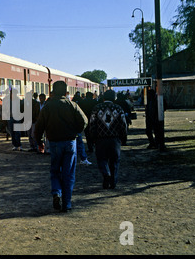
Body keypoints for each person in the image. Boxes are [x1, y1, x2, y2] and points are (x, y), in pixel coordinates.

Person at [35, 81, 88, 212]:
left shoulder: (47, 106)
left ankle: (56, 193)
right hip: (70, 142)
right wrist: (75, 131)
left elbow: (39, 126)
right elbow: (84, 121)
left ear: (52, 92)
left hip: (54, 143)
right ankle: (67, 204)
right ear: (66, 92)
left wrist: (39, 142)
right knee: (68, 173)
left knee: (55, 170)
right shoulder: (72, 105)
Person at [88, 90, 127, 189]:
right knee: (114, 161)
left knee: (102, 159)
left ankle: (106, 174)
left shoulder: (96, 108)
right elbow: (123, 125)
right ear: (114, 98)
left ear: (103, 98)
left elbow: (92, 124)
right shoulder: (118, 109)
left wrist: (93, 137)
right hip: (115, 139)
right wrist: (123, 137)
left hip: (100, 139)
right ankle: (113, 182)